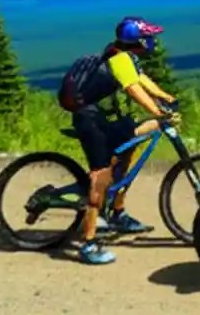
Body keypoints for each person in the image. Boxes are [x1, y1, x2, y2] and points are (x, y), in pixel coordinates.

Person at [64, 15, 179, 265]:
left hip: (111, 119)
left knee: (129, 150)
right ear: (137, 41)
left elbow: (141, 79)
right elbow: (133, 89)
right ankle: (89, 243)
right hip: (91, 120)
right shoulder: (118, 59)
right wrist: (159, 111)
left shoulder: (126, 56)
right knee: (101, 177)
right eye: (148, 38)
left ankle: (117, 213)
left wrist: (164, 96)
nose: (152, 42)